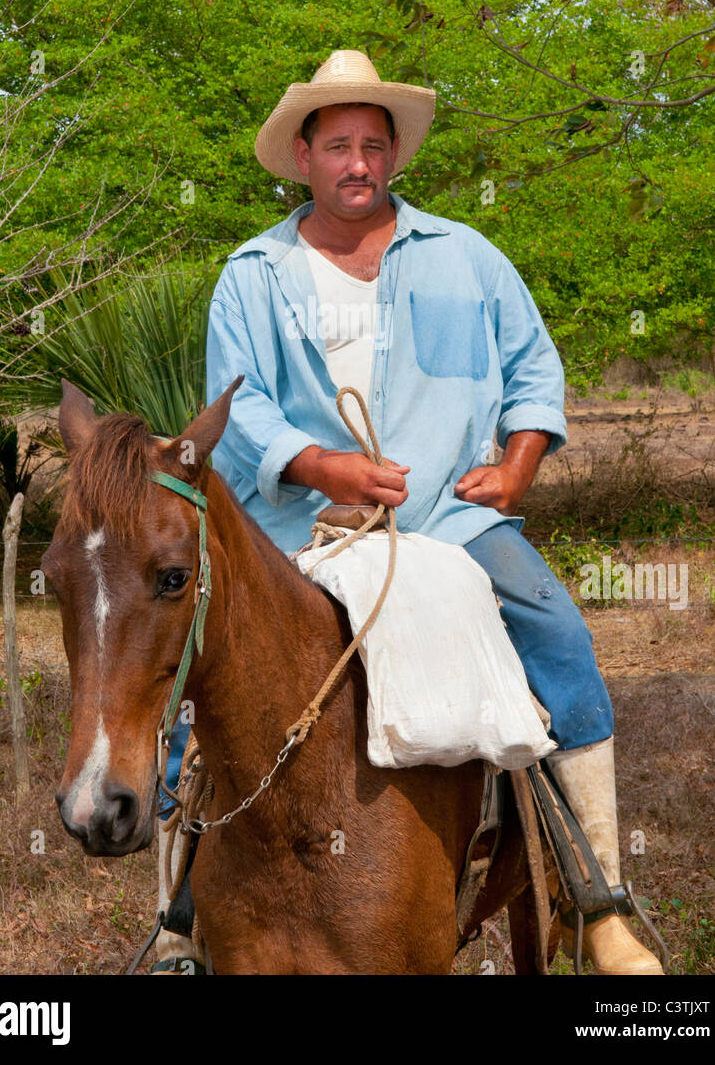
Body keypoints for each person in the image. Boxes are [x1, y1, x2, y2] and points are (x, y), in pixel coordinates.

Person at [203, 49, 663, 975]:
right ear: (303, 158)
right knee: (201, 668)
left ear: (394, 156)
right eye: (338, 146)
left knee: (559, 636)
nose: (358, 164)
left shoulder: (465, 257)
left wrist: (519, 462)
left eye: (374, 145)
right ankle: (186, 905)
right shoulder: (252, 273)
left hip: (446, 520)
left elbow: (533, 367)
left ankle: (593, 897)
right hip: (298, 526)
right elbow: (235, 406)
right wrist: (320, 463)